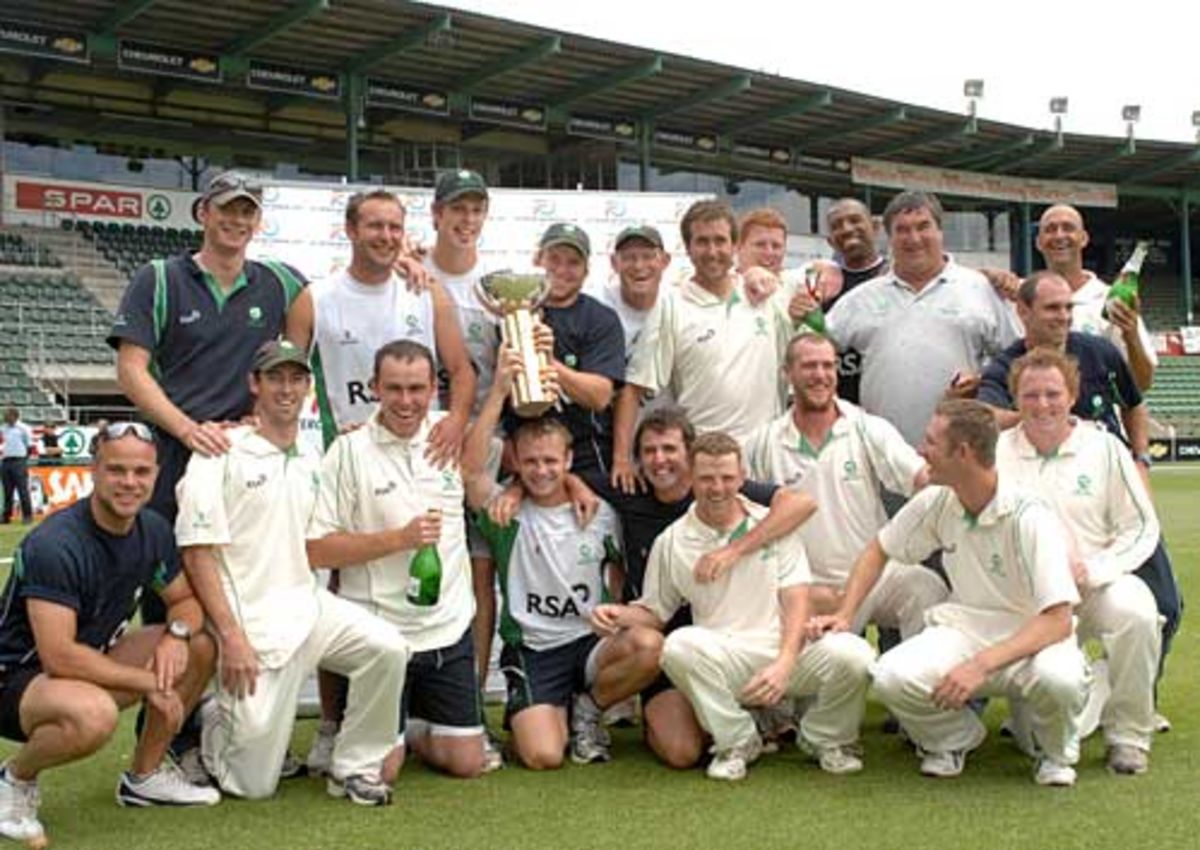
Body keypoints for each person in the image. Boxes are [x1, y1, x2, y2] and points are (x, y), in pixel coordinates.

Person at [176, 341, 408, 804]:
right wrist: (231, 636)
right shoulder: (218, 450)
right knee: (252, 786)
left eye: (296, 379)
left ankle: (354, 768)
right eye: (275, 378)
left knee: (388, 649)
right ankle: (214, 720)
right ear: (254, 385)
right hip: (252, 626)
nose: (287, 389)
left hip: (309, 608)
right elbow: (197, 552)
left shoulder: (309, 454)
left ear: (307, 387)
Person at [811, 400, 1088, 786]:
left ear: (963, 452)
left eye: (930, 442)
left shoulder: (1030, 515)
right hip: (967, 629)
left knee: (1059, 680)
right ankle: (954, 739)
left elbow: (1058, 621)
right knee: (891, 675)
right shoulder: (941, 499)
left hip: (1033, 638)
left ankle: (1054, 754)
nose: (921, 452)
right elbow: (879, 549)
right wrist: (845, 614)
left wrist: (980, 665)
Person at [591, 432, 875, 781]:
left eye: (727, 478)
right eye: (707, 478)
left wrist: (785, 662)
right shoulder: (673, 541)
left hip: (785, 653)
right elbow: (655, 612)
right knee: (679, 645)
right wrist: (618, 615)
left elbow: (797, 597)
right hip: (727, 659)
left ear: (742, 478)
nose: (717, 488)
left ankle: (825, 738)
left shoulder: (771, 527)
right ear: (691, 479)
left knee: (857, 654)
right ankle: (737, 741)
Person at [0, 422, 219, 846]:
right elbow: (59, 656)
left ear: (156, 475)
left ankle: (145, 777)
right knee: (94, 715)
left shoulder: (151, 529)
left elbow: (186, 602)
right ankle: (13, 780)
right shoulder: (56, 544)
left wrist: (175, 635)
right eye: (116, 470)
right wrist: (153, 685)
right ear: (94, 471)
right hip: (15, 679)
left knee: (201, 645)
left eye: (141, 472)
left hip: (82, 661)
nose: (129, 483)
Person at [974, 271, 1181, 687]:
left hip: (1114, 489)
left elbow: (1135, 403)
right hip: (1052, 499)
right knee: (1050, 608)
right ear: (1023, 311)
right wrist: (1046, 413)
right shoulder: (1005, 363)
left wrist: (1139, 456)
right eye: (1052, 308)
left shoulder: (1100, 351)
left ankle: (1140, 696)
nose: (1064, 317)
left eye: (1069, 307)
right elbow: (989, 416)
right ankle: (1040, 706)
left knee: (1162, 606)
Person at [463, 350, 653, 770]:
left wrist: (617, 609)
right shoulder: (504, 513)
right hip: (536, 650)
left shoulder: (601, 511)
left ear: (569, 461)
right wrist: (497, 390)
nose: (541, 470)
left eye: (551, 461)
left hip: (591, 645)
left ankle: (589, 707)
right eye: (530, 462)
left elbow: (618, 569)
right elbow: (471, 472)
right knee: (545, 755)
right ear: (515, 461)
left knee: (649, 645)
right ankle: (546, 715)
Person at [306, 341, 486, 782]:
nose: (406, 402)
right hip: (381, 635)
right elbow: (318, 549)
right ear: (374, 388)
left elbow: (499, 470)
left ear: (433, 390)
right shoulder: (347, 452)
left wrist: (498, 391)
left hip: (447, 628)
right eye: (394, 389)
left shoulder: (448, 433)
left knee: (467, 764)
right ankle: (389, 736)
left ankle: (411, 727)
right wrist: (396, 540)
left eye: (417, 389)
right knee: (381, 772)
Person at [996, 347, 1161, 775]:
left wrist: (1097, 568)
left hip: (1093, 585)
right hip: (1030, 600)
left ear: (1071, 396)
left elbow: (1141, 528)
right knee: (1034, 743)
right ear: (1015, 399)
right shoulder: (998, 453)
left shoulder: (1105, 448)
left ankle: (1128, 736)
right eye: (1031, 395)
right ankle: (1092, 684)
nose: (1042, 405)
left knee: (1138, 611)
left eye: (1053, 393)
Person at [742, 334, 947, 638]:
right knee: (835, 670)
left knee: (926, 589)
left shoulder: (866, 427)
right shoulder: (763, 442)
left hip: (874, 578)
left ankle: (907, 681)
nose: (821, 375)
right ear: (788, 373)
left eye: (828, 366)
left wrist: (958, 478)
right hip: (805, 587)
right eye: (809, 366)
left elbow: (919, 477)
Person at [794, 191, 1022, 446]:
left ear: (940, 231)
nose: (914, 238)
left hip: (961, 451)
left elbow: (1014, 362)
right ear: (889, 238)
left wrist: (983, 383)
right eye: (902, 230)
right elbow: (816, 347)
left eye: (923, 227)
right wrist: (803, 316)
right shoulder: (861, 297)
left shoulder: (979, 288)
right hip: (882, 455)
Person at [285, 189, 475, 457]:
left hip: (420, 454)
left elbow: (461, 371)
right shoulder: (313, 299)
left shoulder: (428, 293)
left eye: (395, 228)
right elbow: (285, 379)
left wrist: (455, 422)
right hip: (346, 454)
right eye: (375, 226)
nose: (386, 236)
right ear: (351, 230)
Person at [624, 201, 792, 446]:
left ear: (734, 246)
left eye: (720, 241)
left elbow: (824, 274)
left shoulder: (766, 294)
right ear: (688, 249)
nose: (712, 251)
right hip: (704, 459)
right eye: (702, 242)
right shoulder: (671, 306)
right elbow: (633, 389)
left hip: (765, 454)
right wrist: (622, 459)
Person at [982, 204, 1157, 391]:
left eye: (1068, 228)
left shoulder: (1110, 300)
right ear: (1038, 242)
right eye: (1050, 229)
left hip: (1094, 417)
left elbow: (1142, 384)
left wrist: (1131, 336)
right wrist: (986, 274)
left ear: (1084, 238)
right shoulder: (1016, 293)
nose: (1059, 235)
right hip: (1030, 414)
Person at [505, 222, 625, 487]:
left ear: (586, 271)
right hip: (526, 462)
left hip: (586, 457)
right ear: (538, 259)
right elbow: (502, 392)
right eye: (554, 259)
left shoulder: (599, 319)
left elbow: (600, 395)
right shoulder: (513, 311)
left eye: (573, 262)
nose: (561, 270)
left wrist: (548, 363)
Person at [785, 199, 889, 403]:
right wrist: (796, 318)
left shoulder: (894, 279)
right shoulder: (816, 282)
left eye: (855, 220)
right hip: (832, 409)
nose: (847, 229)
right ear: (830, 241)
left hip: (883, 404)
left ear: (875, 227)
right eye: (837, 225)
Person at [1, 408, 33, 525]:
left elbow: (29, 446)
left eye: (7, 415)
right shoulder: (3, 428)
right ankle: (6, 516)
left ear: (14, 416)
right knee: (7, 491)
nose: (5, 417)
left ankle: (27, 515)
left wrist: (24, 459)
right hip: (6, 461)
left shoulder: (23, 429)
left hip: (19, 461)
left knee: (22, 490)